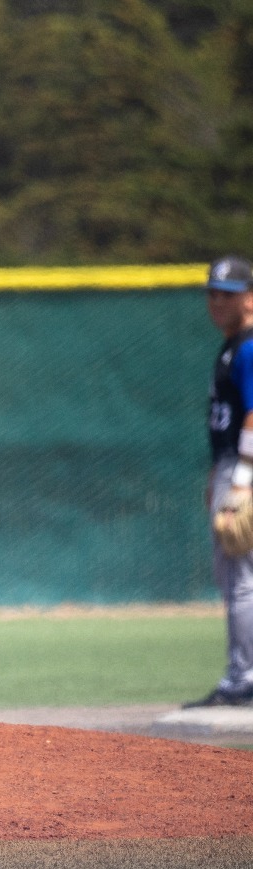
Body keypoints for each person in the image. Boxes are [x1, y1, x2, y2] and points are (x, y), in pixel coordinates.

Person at [190, 256, 253, 708]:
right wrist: (219, 475)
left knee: (240, 579)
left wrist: (243, 480)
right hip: (232, 464)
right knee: (235, 577)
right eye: (212, 292)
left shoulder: (249, 347)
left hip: (246, 468)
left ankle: (243, 677)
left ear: (249, 297)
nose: (216, 302)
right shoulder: (233, 345)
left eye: (226, 294)